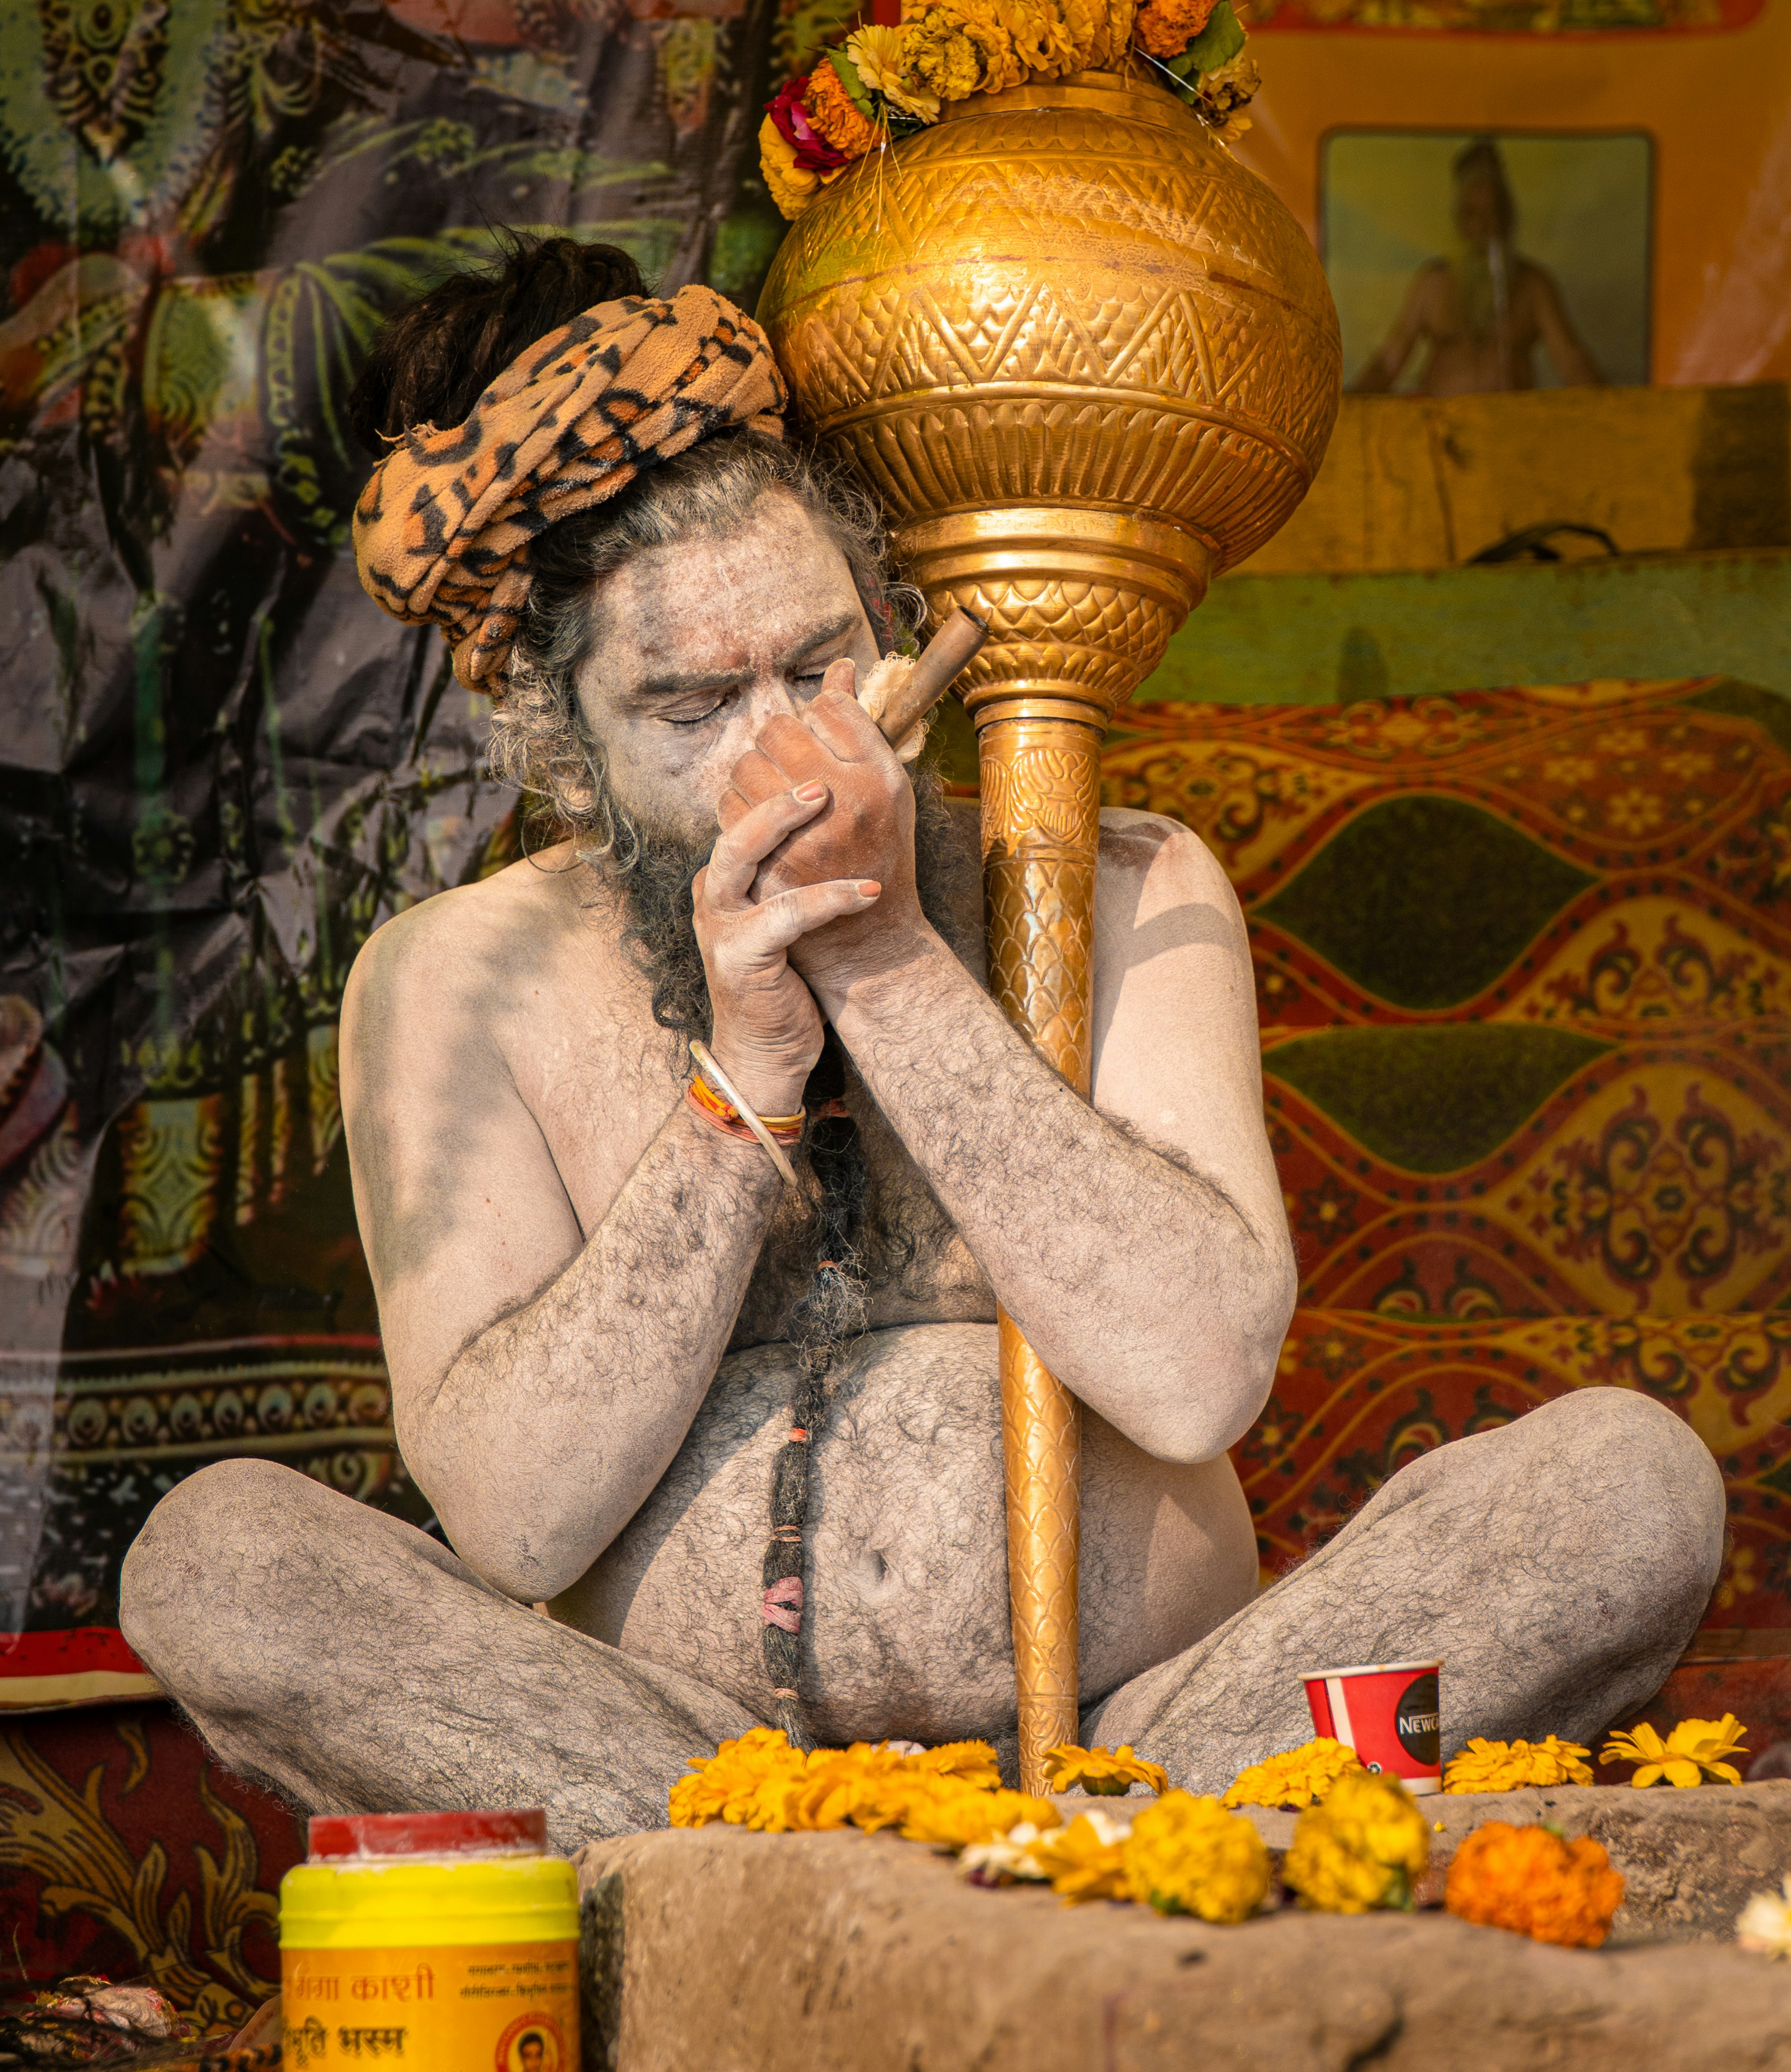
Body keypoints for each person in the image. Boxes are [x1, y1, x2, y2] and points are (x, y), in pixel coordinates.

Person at [119, 236, 1723, 1843]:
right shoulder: (451, 977)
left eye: (821, 665)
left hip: (1157, 1743)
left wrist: (888, 968)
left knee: (1623, 1488)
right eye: (691, 709)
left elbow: (1195, 1377)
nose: (791, 758)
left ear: (897, 622)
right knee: (218, 1562)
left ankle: (1085, 1864)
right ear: (559, 744)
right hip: (674, 1776)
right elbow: (516, 1520)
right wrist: (734, 1092)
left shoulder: (1125, 878)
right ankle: (781, 1889)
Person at [1349, 139, 1604, 396]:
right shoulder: (1433, 283)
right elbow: (1389, 362)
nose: (1484, 226)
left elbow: (1571, 361)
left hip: (1510, 428)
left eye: (1493, 212)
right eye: (1473, 213)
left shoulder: (1533, 285)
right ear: (1459, 220)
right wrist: (1348, 407)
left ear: (1507, 218)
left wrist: (1609, 410)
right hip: (1440, 427)